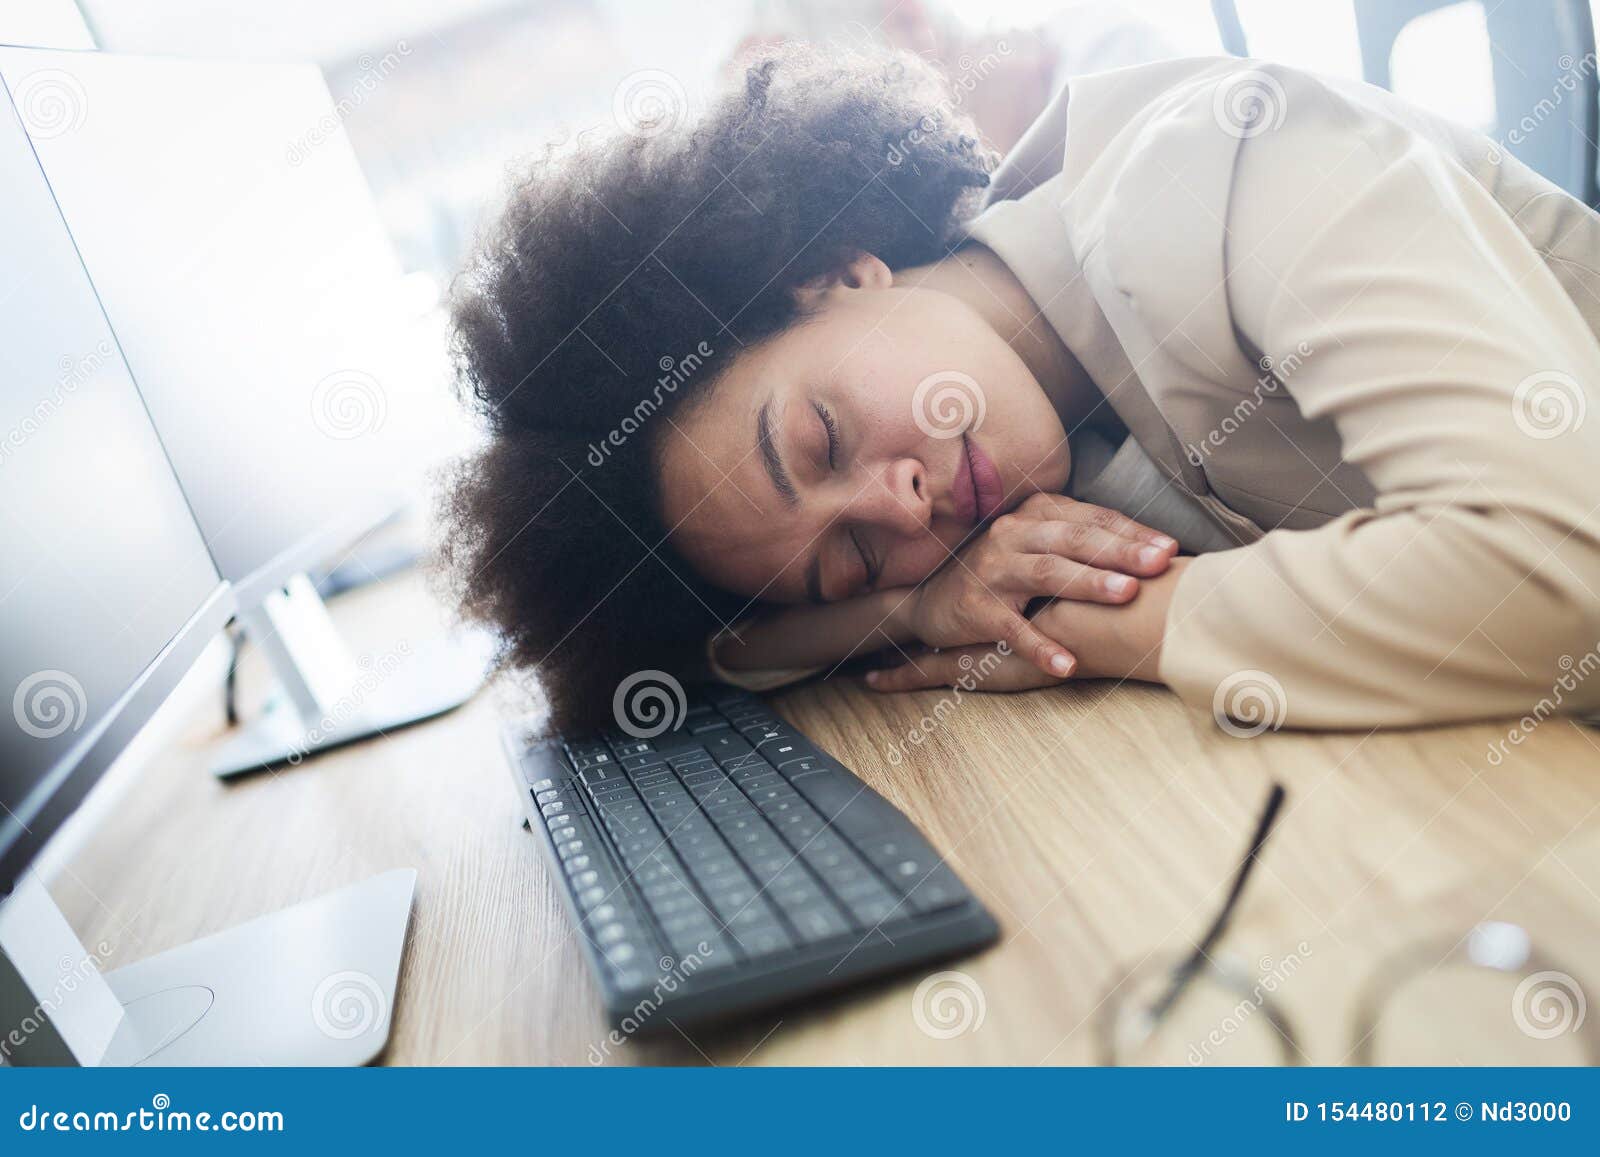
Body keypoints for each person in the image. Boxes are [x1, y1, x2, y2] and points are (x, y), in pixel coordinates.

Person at [443, 45, 1600, 734]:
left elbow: (1571, 571)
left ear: (838, 271)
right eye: (848, 557)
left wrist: (1122, 626)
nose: (901, 508)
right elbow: (727, 649)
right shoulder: (1054, 424)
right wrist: (909, 611)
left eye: (822, 436)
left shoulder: (1222, 170)